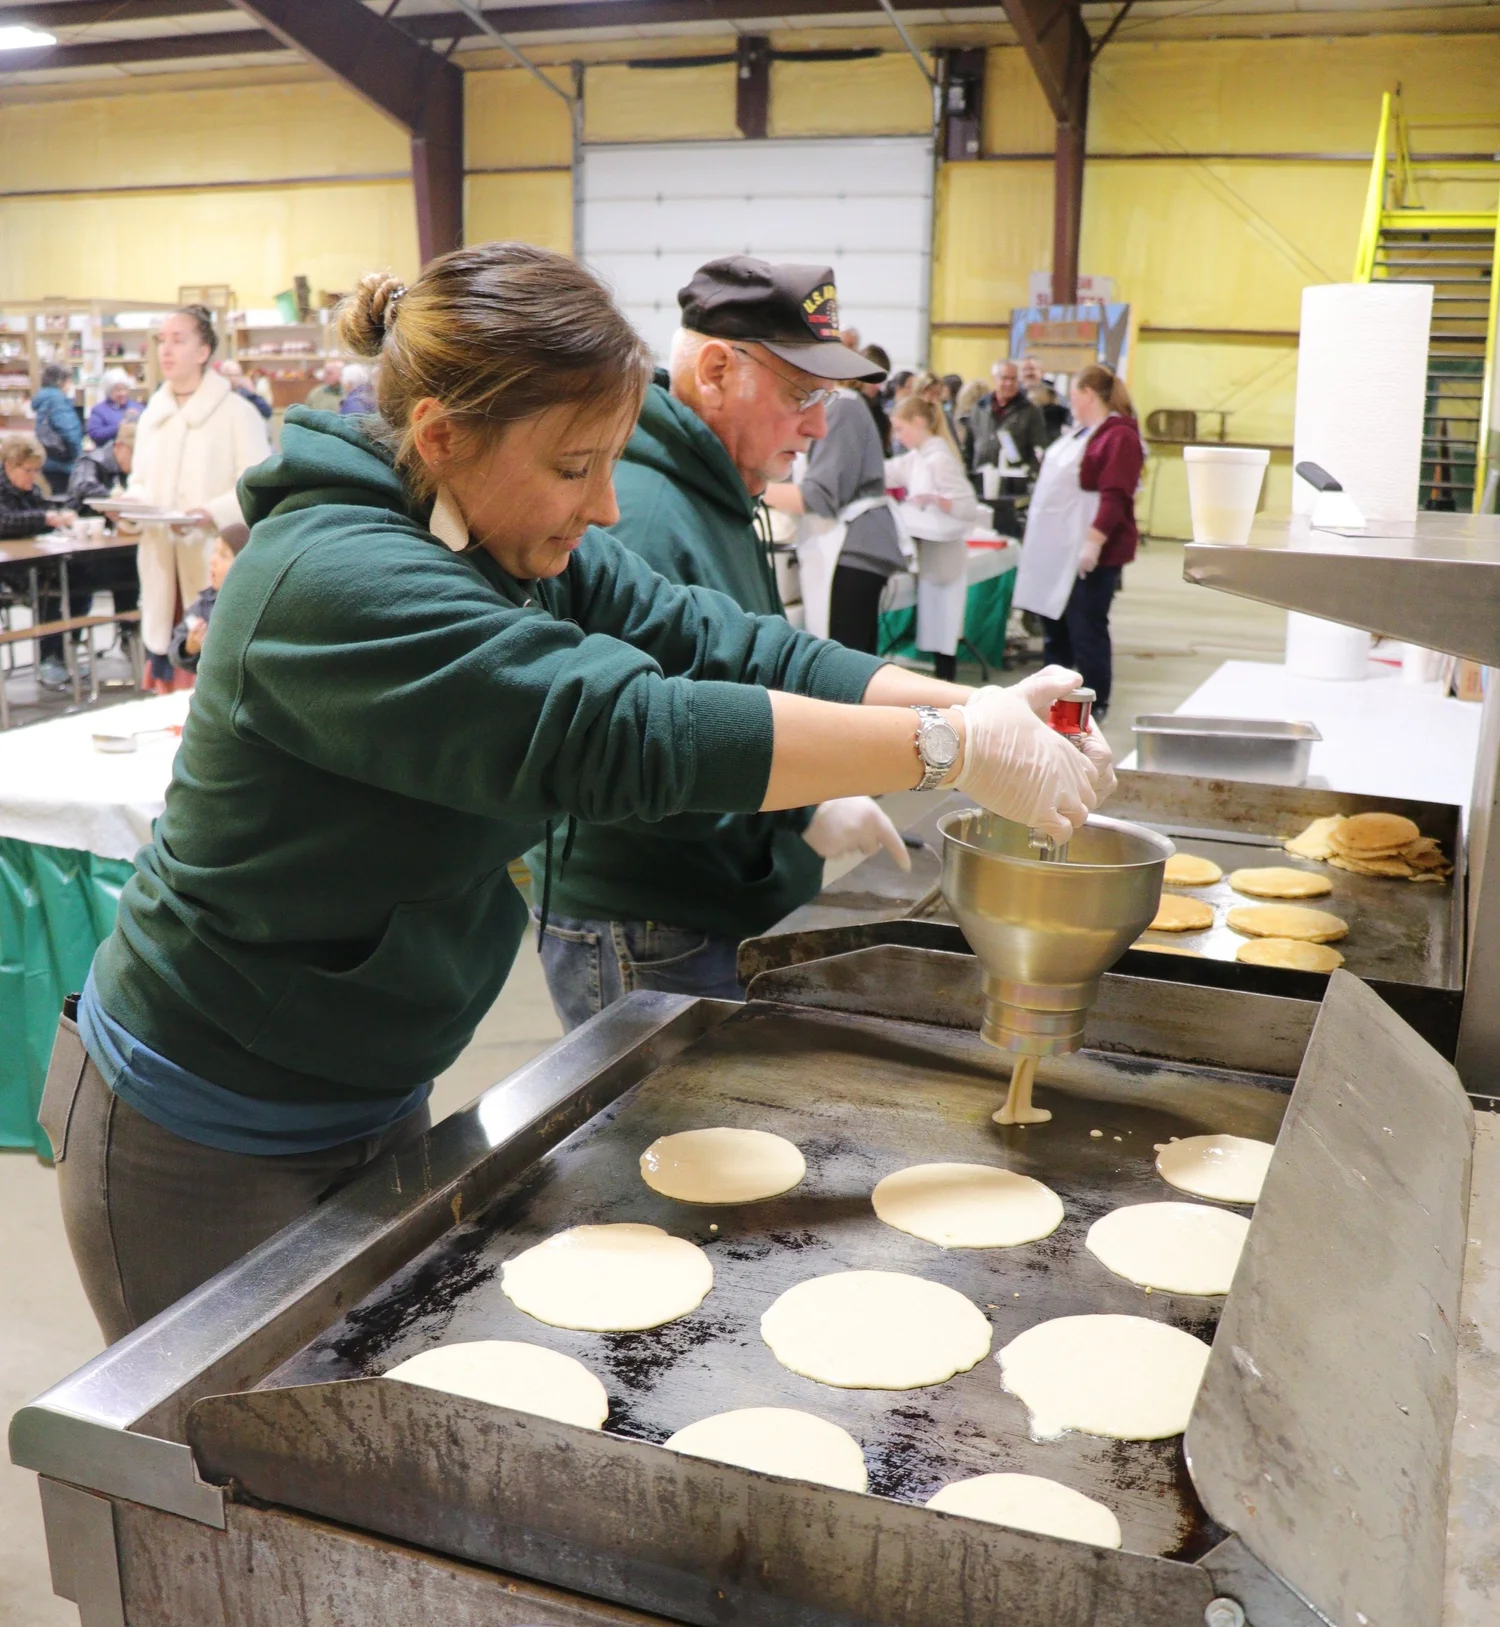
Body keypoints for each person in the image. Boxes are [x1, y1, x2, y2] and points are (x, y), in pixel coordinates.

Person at [41, 241, 1110, 1342]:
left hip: (368, 1080)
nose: (604, 507)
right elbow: (620, 730)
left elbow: (715, 641)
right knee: (220, 1450)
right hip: (204, 1125)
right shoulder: (333, 581)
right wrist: (946, 751)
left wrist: (972, 711)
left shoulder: (498, 528)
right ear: (442, 438)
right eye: (573, 467)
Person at [528, 257, 915, 1031]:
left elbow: (755, 656)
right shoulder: (638, 514)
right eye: (802, 395)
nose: (816, 426)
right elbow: (634, 751)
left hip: (717, 894)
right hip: (654, 917)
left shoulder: (720, 491)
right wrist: (798, 808)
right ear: (714, 368)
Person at [125, 304, 270, 691]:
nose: (166, 350)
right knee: (166, 654)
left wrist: (210, 511)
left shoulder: (237, 413)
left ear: (204, 352)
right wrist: (132, 505)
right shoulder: (152, 414)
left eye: (178, 340)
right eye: (161, 341)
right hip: (161, 563)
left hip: (212, 562)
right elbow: (139, 480)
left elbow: (257, 483)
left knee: (210, 673)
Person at [1012, 363, 1143, 718]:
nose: (1071, 404)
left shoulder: (1119, 436)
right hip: (1059, 551)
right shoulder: (1083, 434)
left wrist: (1094, 541)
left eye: (1074, 396)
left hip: (1090, 553)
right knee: (1057, 626)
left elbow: (1116, 495)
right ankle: (1057, 694)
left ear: (1088, 395)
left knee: (1087, 627)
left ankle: (1095, 701)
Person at [764, 353, 906, 655]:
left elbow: (818, 497)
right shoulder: (839, 405)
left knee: (845, 666)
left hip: (851, 548)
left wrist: (750, 485)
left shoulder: (841, 407)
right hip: (848, 547)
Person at [886, 395, 983, 683]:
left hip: (946, 556)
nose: (898, 436)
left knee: (945, 630)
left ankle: (946, 690)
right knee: (935, 628)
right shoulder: (916, 458)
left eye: (901, 429)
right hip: (929, 553)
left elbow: (968, 506)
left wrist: (937, 500)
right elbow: (887, 472)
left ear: (918, 423)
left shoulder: (940, 459)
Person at [0, 435, 79, 688]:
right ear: (11, 465)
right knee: (51, 588)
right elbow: (5, 522)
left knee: (77, 577)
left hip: (35, 562)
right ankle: (49, 658)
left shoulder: (29, 489)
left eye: (37, 471)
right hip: (9, 569)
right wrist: (45, 519)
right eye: (28, 470)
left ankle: (61, 653)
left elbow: (41, 508)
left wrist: (58, 513)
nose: (33, 476)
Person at [168, 525, 244, 673]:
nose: (212, 561)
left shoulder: (258, 603)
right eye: (214, 552)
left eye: (223, 555)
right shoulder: (203, 606)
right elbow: (175, 650)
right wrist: (189, 647)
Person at [31, 364, 83, 494]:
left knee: (58, 495)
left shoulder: (44, 398)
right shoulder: (58, 399)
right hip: (64, 462)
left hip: (49, 459)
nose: (70, 385)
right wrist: (79, 456)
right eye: (68, 380)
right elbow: (69, 431)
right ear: (60, 381)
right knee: (68, 499)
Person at [86, 369, 140, 448]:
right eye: (118, 390)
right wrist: (118, 427)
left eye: (124, 389)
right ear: (109, 392)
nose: (122, 393)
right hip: (109, 456)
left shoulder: (137, 407)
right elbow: (95, 434)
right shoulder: (99, 410)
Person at [859, 342, 893, 456]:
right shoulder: (848, 402)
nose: (878, 385)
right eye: (874, 378)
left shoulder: (879, 409)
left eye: (882, 379)